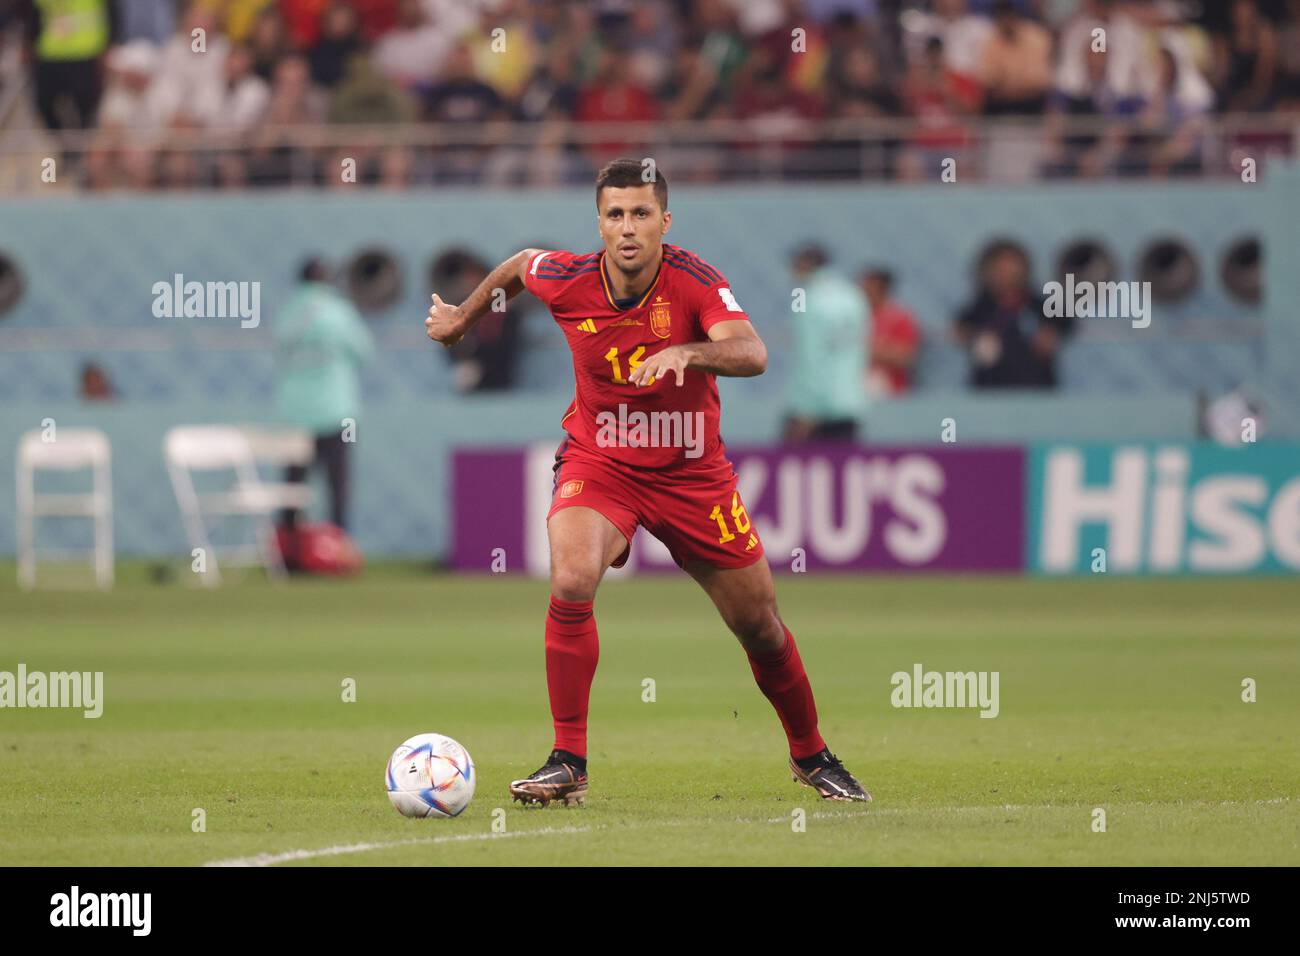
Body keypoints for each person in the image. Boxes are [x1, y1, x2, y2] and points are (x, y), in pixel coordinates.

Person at [425, 159, 870, 806]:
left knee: (760, 626)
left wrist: (688, 351)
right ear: (599, 223)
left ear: (665, 220)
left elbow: (752, 352)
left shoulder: (694, 281)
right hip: (600, 463)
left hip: (693, 475)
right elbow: (523, 263)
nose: (627, 227)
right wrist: (465, 318)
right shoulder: (571, 278)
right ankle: (567, 760)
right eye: (614, 214)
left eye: (640, 214)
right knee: (573, 578)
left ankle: (811, 754)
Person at [274, 257, 374, 539]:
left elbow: (279, 353)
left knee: (293, 487)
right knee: (337, 485)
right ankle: (338, 547)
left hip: (294, 412)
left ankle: (289, 551)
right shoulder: (339, 312)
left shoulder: (287, 313)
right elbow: (363, 351)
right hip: (337, 411)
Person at [954, 241, 1073, 388]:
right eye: (1000, 268)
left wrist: (1052, 333)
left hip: (1037, 391)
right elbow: (961, 328)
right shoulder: (980, 309)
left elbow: (1065, 321)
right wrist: (973, 337)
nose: (1007, 273)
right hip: (990, 392)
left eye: (1012, 266)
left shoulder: (1041, 307)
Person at [782, 242, 868, 442]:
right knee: (843, 470)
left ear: (805, 264)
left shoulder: (810, 300)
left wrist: (808, 409)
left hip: (815, 412)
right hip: (850, 403)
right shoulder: (853, 296)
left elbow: (812, 358)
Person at [861, 268, 920, 397]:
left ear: (882, 289)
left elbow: (905, 357)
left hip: (887, 384)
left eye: (869, 287)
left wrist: (866, 351)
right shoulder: (855, 316)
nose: (863, 291)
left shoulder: (900, 318)